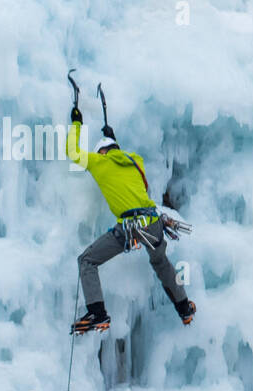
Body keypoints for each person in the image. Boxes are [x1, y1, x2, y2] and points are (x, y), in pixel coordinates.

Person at [66, 102, 195, 334]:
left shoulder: (100, 162)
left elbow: (73, 153)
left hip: (131, 227)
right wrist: (112, 139)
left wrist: (76, 122)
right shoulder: (135, 162)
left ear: (102, 152)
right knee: (160, 262)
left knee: (87, 260)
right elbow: (122, 163)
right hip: (154, 224)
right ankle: (184, 307)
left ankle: (98, 313)